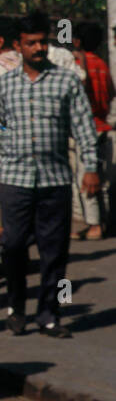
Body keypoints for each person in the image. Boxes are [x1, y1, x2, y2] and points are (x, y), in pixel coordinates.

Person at [0, 11, 99, 337]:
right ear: (18, 46)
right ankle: (15, 306)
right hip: (15, 179)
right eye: (31, 43)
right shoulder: (6, 83)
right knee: (12, 245)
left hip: (54, 179)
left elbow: (84, 127)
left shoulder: (67, 81)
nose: (38, 48)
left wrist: (91, 168)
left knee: (54, 250)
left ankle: (49, 315)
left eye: (42, 42)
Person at [71, 22, 111, 240]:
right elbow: (112, 92)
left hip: (87, 127)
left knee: (86, 178)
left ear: (77, 41)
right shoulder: (103, 65)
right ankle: (102, 222)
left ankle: (94, 224)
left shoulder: (77, 64)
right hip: (103, 125)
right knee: (100, 178)